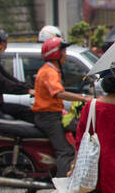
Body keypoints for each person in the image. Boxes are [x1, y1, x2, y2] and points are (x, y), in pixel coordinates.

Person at [33, 37, 90, 178]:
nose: (65, 54)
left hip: (54, 115)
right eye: (63, 51)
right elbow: (58, 93)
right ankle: (62, 186)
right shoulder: (49, 72)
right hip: (49, 118)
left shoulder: (51, 70)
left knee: (78, 127)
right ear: (55, 54)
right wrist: (82, 98)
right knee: (65, 151)